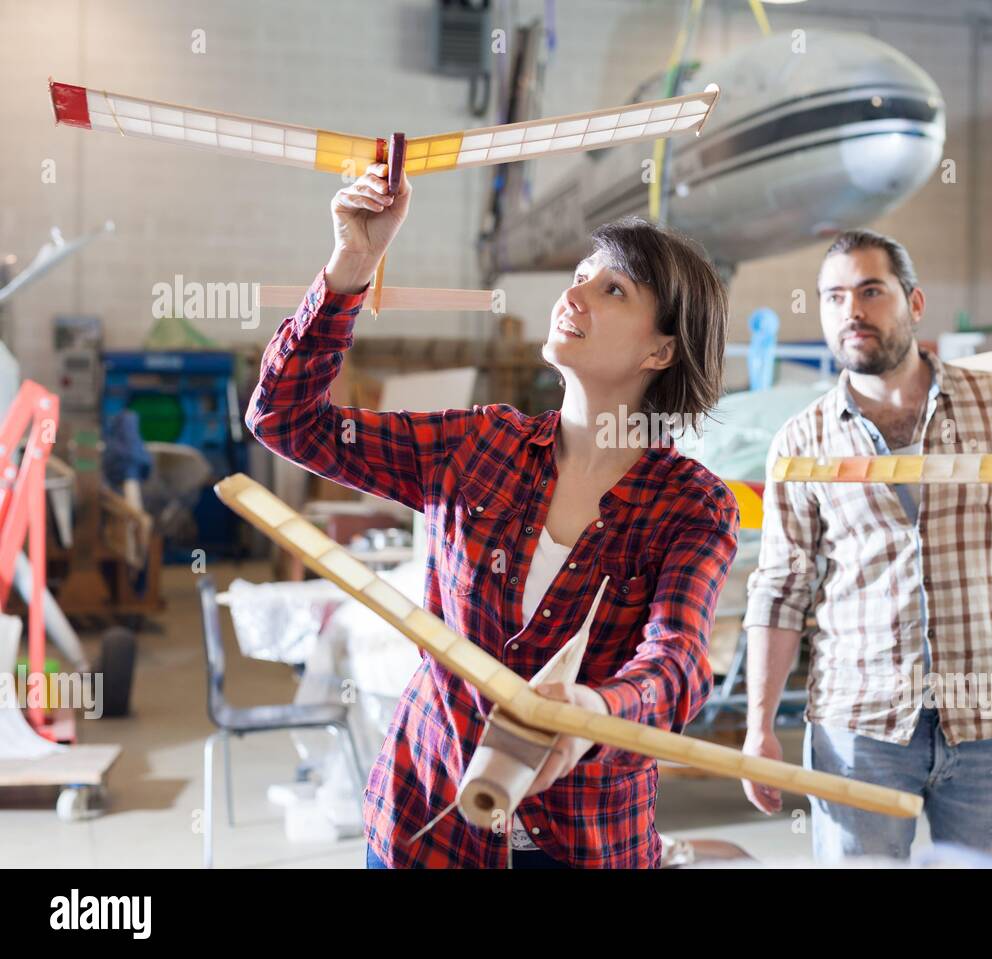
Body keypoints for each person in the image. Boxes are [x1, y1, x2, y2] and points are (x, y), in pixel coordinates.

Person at [246, 161, 738, 868]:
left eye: (613, 288)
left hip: (583, 843)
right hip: (428, 824)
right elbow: (284, 419)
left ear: (661, 348)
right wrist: (353, 264)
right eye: (580, 273)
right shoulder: (479, 446)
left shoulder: (689, 505)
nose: (574, 292)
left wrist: (595, 711)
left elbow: (677, 663)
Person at [740, 229, 992, 861]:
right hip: (859, 730)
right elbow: (780, 591)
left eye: (870, 291)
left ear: (914, 304)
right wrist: (757, 727)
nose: (851, 311)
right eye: (833, 297)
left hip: (988, 723)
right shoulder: (800, 444)